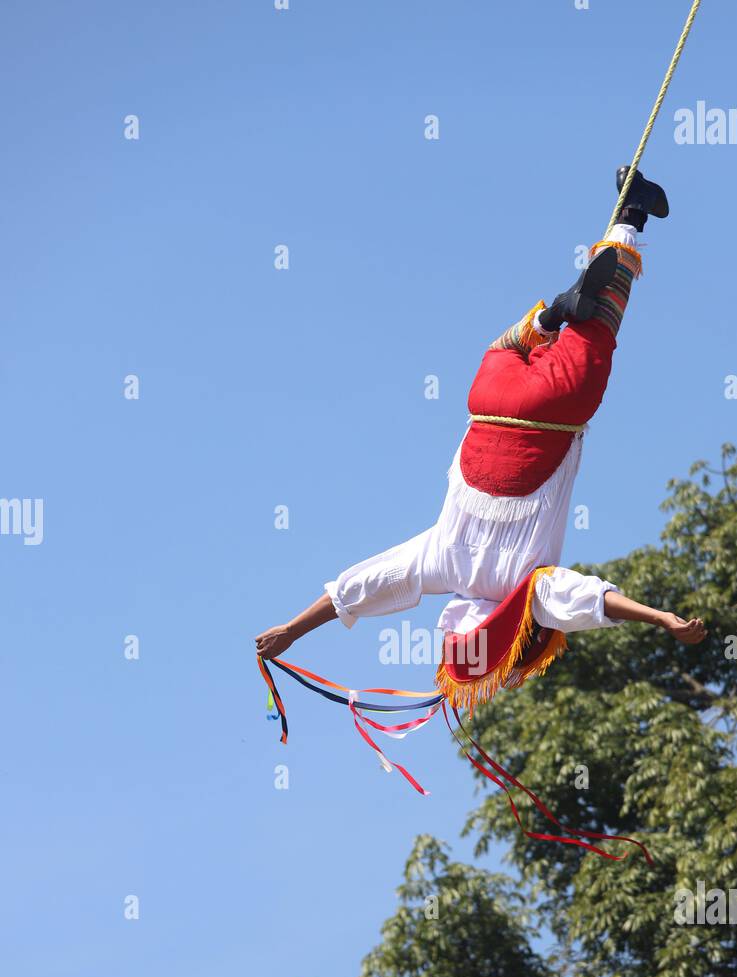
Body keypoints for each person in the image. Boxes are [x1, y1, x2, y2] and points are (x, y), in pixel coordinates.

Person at [256, 167, 706, 667]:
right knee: (506, 346)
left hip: (552, 412)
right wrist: (291, 629)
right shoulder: (435, 563)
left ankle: (630, 216)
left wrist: (662, 618)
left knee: (601, 321)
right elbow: (354, 588)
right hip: (488, 399)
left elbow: (592, 600)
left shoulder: (528, 591)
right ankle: (548, 317)